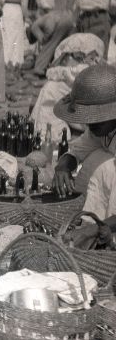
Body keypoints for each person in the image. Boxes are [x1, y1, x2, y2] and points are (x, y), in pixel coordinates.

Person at [51, 65, 116, 251]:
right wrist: (63, 166)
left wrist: (95, 229)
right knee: (96, 158)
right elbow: (78, 149)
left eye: (98, 118)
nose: (90, 124)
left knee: (106, 166)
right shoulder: (102, 129)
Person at [30, 33, 104, 144]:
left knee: (51, 90)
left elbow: (56, 73)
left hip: (84, 111)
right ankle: (48, 130)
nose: (93, 60)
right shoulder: (82, 67)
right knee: (51, 90)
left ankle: (51, 133)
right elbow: (56, 73)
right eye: (90, 57)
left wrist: (63, 72)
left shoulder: (83, 69)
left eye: (94, 58)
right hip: (76, 105)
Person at [28, 10, 77, 76]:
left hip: (59, 22)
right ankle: (60, 66)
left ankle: (39, 68)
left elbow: (44, 38)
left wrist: (46, 38)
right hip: (69, 20)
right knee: (63, 46)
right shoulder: (43, 19)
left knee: (48, 47)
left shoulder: (34, 27)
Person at [0, 0, 30, 68]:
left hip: (6, 10)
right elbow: (24, 6)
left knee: (5, 34)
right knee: (16, 35)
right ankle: (14, 60)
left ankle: (4, 59)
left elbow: (1, 1)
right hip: (17, 11)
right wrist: (24, 18)